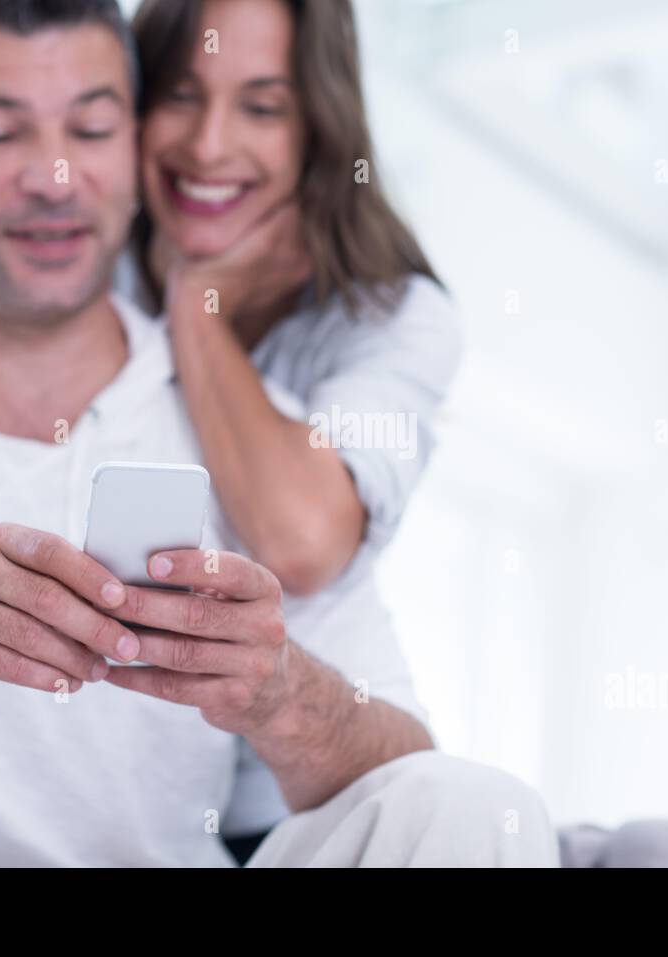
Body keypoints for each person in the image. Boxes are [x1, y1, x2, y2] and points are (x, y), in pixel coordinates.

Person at [0, 0, 558, 868]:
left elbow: (403, 763)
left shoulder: (245, 432)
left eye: (91, 128)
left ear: (133, 149)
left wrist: (278, 692)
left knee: (471, 804)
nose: (54, 177)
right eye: (0, 134)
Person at [120, 0, 461, 596]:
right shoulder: (86, 254)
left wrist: (196, 303)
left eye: (261, 107)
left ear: (318, 131)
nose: (208, 145)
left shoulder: (398, 318)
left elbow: (301, 543)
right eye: (179, 93)